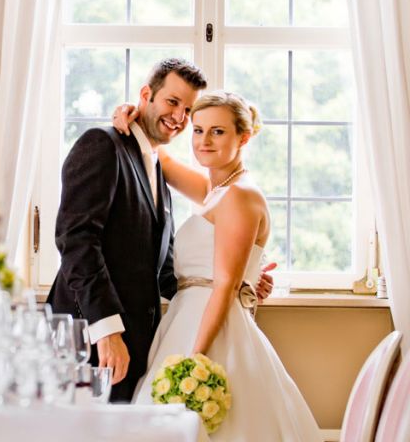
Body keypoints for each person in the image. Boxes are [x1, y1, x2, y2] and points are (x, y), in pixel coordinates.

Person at [46, 59, 272, 402]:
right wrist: (105, 330)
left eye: (188, 110)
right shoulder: (104, 145)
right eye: (172, 102)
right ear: (146, 95)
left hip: (142, 340)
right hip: (91, 335)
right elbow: (76, 239)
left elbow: (160, 267)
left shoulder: (156, 167)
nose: (180, 117)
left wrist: (245, 278)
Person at [113, 91, 320, 440]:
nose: (203, 141)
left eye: (218, 132)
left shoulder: (241, 195)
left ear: (244, 136)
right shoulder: (216, 189)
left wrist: (194, 358)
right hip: (185, 320)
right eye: (197, 130)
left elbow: (224, 284)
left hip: (210, 332)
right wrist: (131, 114)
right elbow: (159, 156)